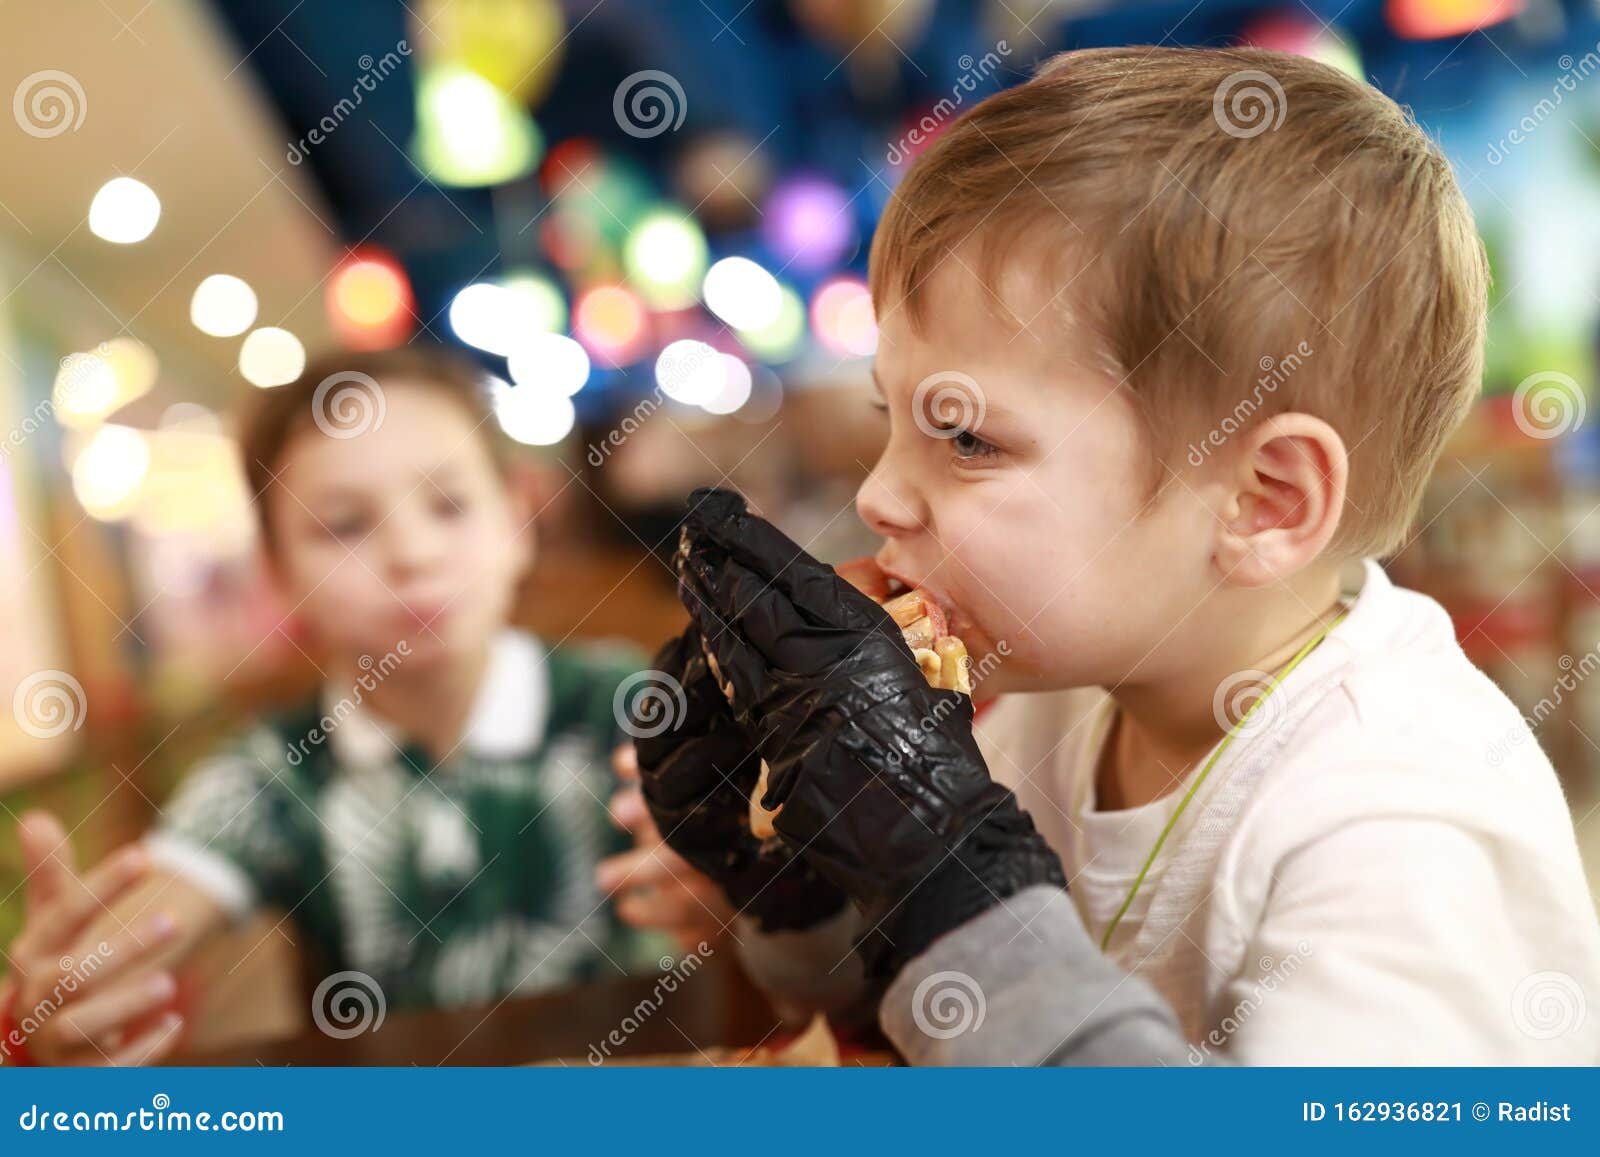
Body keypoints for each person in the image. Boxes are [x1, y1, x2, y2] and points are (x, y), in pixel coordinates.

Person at [618, 46, 1600, 1064]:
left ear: (1263, 502)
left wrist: (947, 873)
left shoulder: (1396, 820)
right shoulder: (1066, 699)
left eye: (967, 439)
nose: (876, 493)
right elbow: (937, 1026)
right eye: (890, 415)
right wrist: (801, 889)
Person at [1, 345, 716, 1066]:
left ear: (517, 521)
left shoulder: (635, 700)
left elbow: (777, 877)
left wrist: (737, 901)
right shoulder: (276, 768)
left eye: (449, 505)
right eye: (344, 525)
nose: (411, 552)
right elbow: (166, 898)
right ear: (277, 572)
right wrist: (76, 982)